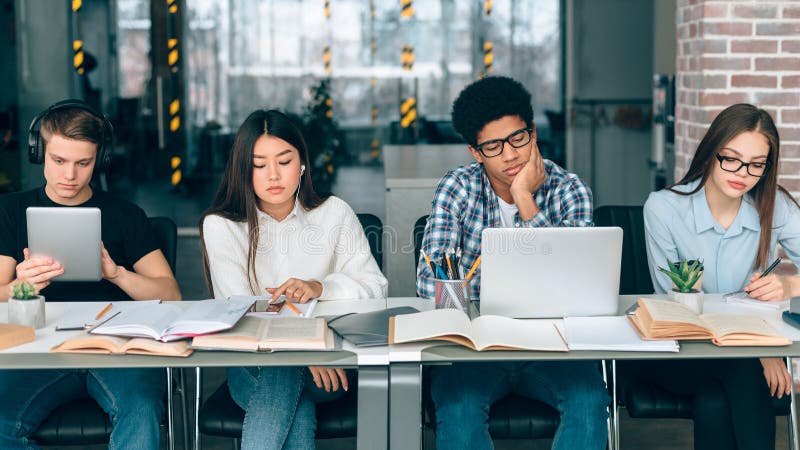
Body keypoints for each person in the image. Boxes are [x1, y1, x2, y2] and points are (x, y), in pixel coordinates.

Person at [416, 76, 609, 450]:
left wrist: (525, 199)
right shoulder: (456, 188)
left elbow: (578, 281)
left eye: (518, 138)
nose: (510, 155)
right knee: (458, 404)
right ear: (476, 151)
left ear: (533, 133)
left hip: (554, 346)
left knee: (589, 400)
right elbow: (430, 284)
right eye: (493, 146)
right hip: (478, 349)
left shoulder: (570, 189)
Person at [200, 109, 387, 449]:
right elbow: (240, 310)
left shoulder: (334, 213)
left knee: (286, 376)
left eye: (284, 161)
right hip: (253, 366)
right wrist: (303, 352)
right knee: (290, 388)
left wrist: (321, 287)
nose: (273, 175)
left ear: (301, 163)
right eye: (259, 165)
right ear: (244, 170)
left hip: (329, 365)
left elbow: (376, 287)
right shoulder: (222, 225)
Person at [0, 99, 181, 449]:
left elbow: (170, 293)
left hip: (116, 349)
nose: (70, 175)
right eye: (59, 161)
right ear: (39, 153)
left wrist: (117, 274)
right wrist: (19, 287)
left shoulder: (125, 214)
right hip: (40, 350)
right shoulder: (10, 210)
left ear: (99, 159)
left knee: (141, 409)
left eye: (83, 163)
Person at [640, 103, 800, 450]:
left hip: (736, 361)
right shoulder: (663, 208)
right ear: (711, 151)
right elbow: (675, 306)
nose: (742, 172)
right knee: (741, 370)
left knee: (714, 399)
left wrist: (789, 284)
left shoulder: (776, 206)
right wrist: (761, 352)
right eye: (731, 158)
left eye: (757, 164)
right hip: (678, 352)